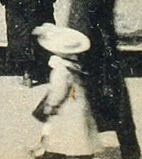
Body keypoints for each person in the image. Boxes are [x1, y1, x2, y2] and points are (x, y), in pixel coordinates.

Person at [62, 0, 141, 159]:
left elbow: (80, 33)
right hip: (109, 57)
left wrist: (68, 54)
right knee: (119, 110)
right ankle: (131, 153)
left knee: (78, 108)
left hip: (89, 60)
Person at [31, 24, 99, 159]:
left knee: (61, 136)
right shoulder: (75, 67)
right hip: (78, 106)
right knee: (79, 137)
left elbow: (58, 90)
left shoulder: (60, 70)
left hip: (66, 110)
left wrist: (51, 105)